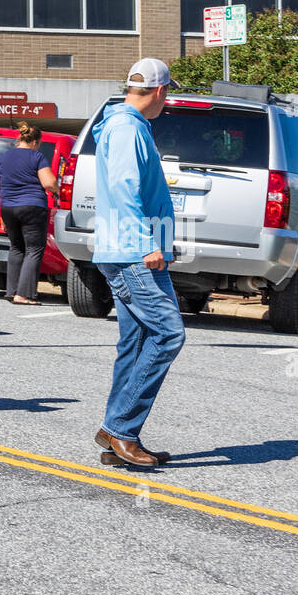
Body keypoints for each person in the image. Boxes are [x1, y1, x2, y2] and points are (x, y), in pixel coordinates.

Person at [92, 58, 184, 468]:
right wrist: (149, 243)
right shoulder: (128, 128)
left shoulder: (122, 124)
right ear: (160, 91)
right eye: (168, 94)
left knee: (136, 342)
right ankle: (120, 430)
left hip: (124, 249)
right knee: (168, 335)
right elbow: (125, 187)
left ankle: (116, 435)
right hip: (134, 253)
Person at [0, 120, 57, 305]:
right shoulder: (37, 157)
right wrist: (57, 190)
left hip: (8, 207)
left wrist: (6, 192)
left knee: (16, 247)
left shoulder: (3, 157)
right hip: (33, 206)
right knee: (34, 249)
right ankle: (24, 294)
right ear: (35, 142)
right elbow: (48, 182)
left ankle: (12, 291)